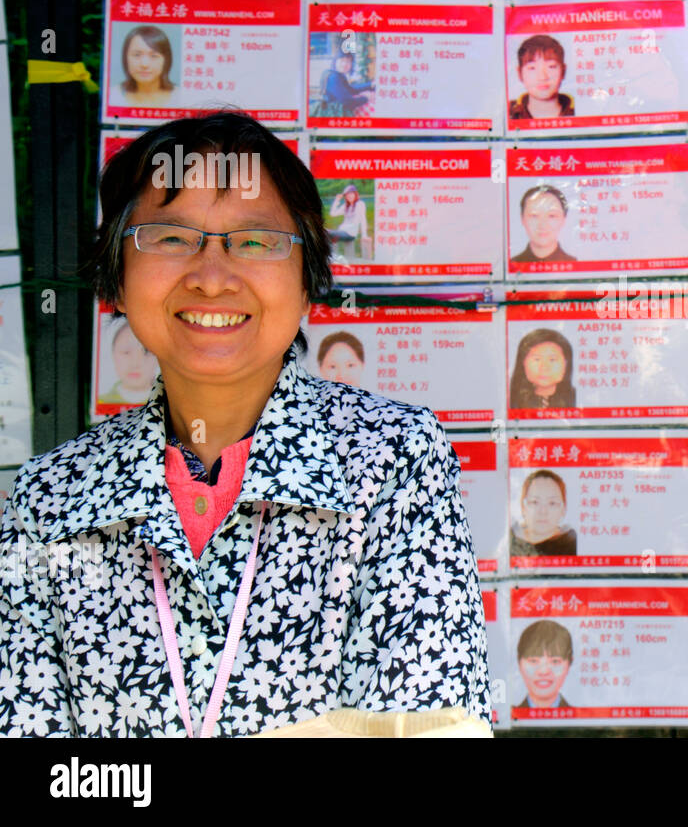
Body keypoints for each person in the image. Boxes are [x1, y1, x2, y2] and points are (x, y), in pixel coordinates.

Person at [0, 112, 488, 736]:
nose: (211, 276)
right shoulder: (51, 499)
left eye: (255, 242)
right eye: (171, 239)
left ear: (308, 276)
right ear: (116, 276)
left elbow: (426, 725)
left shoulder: (391, 461)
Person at [510, 469, 577, 557]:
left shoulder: (572, 545)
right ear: (523, 507)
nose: (543, 512)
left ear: (563, 509)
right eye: (535, 502)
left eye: (552, 503)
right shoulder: (509, 541)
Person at [509, 35, 575, 121]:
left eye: (551, 67)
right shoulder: (509, 113)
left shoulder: (580, 109)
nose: (542, 77)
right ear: (519, 73)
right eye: (532, 68)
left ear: (563, 71)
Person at [510, 328, 576, 410]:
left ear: (566, 363)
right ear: (523, 362)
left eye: (552, 359)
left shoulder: (579, 399)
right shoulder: (509, 400)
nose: (544, 367)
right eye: (537, 359)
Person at [98, 319, 158, 406]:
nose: (135, 364)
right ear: (113, 354)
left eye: (146, 352)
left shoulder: (169, 406)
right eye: (126, 352)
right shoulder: (101, 402)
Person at [515, 620, 573, 710]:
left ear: (569, 663)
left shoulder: (585, 720)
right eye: (533, 661)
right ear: (519, 662)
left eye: (555, 661)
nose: (544, 671)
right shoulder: (504, 716)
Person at [512, 184, 575, 264]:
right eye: (534, 216)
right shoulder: (513, 264)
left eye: (552, 216)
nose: (542, 225)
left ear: (564, 219)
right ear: (522, 219)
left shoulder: (574, 263)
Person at [119, 25, 175, 108]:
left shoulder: (181, 97)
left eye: (154, 56)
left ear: (166, 60)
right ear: (125, 57)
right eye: (137, 55)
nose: (144, 64)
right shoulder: (113, 95)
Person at [316, 51, 375, 117]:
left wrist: (370, 85)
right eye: (342, 60)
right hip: (334, 115)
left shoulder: (333, 74)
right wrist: (366, 98)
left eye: (348, 61)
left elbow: (351, 89)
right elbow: (348, 101)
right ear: (335, 61)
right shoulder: (334, 77)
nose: (345, 64)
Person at [328, 184, 370, 259]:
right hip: (342, 232)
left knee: (327, 232)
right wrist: (337, 200)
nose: (349, 196)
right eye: (347, 195)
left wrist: (364, 235)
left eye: (351, 193)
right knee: (326, 235)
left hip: (350, 234)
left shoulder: (360, 204)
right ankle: (331, 257)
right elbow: (332, 214)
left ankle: (332, 257)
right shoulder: (345, 206)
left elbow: (363, 219)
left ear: (355, 194)